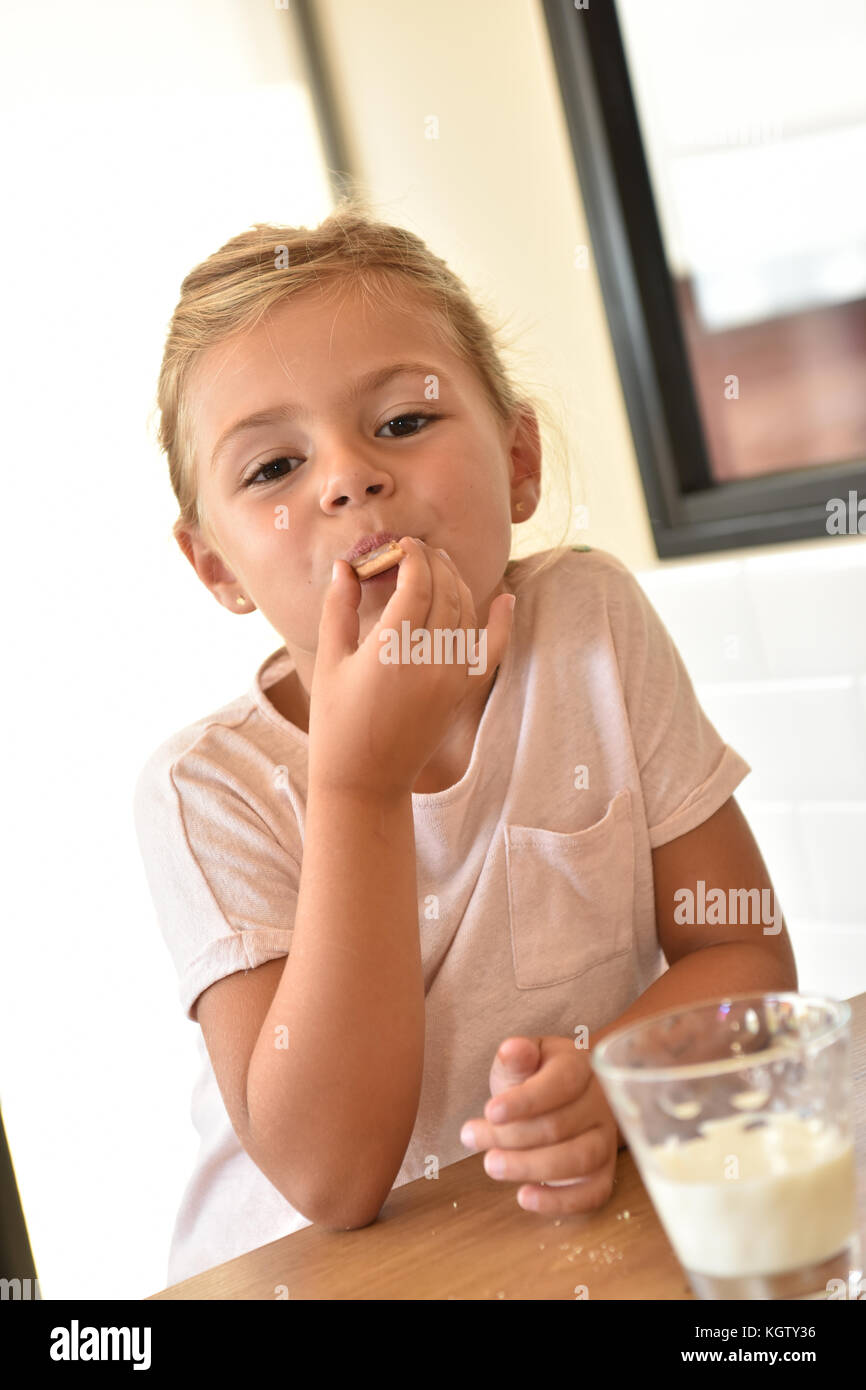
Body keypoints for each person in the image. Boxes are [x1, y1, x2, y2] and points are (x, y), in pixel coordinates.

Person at [133, 196, 798, 1288]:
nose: (348, 476)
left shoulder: (589, 624)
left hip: (543, 1246)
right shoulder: (207, 791)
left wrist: (614, 1076)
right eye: (272, 470)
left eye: (401, 422)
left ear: (518, 457)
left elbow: (744, 958)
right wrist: (359, 779)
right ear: (216, 569)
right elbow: (330, 1179)